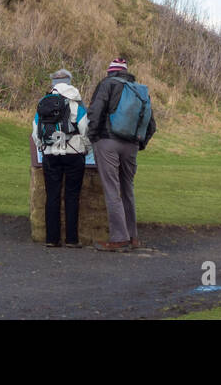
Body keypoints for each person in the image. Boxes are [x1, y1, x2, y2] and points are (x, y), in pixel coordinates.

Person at [86, 57, 156, 252]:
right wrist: (139, 144)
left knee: (111, 190)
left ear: (110, 72)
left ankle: (119, 238)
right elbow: (151, 125)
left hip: (108, 141)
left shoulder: (107, 84)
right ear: (126, 72)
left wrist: (92, 137)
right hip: (131, 145)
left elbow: (95, 112)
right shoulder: (140, 91)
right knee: (127, 189)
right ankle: (132, 237)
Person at [31, 68, 90, 248]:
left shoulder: (44, 103)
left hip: (50, 154)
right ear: (70, 81)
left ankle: (52, 239)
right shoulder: (76, 104)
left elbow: (36, 131)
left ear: (53, 83)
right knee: (72, 195)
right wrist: (85, 148)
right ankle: (72, 239)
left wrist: (44, 146)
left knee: (52, 195)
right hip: (74, 154)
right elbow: (85, 129)